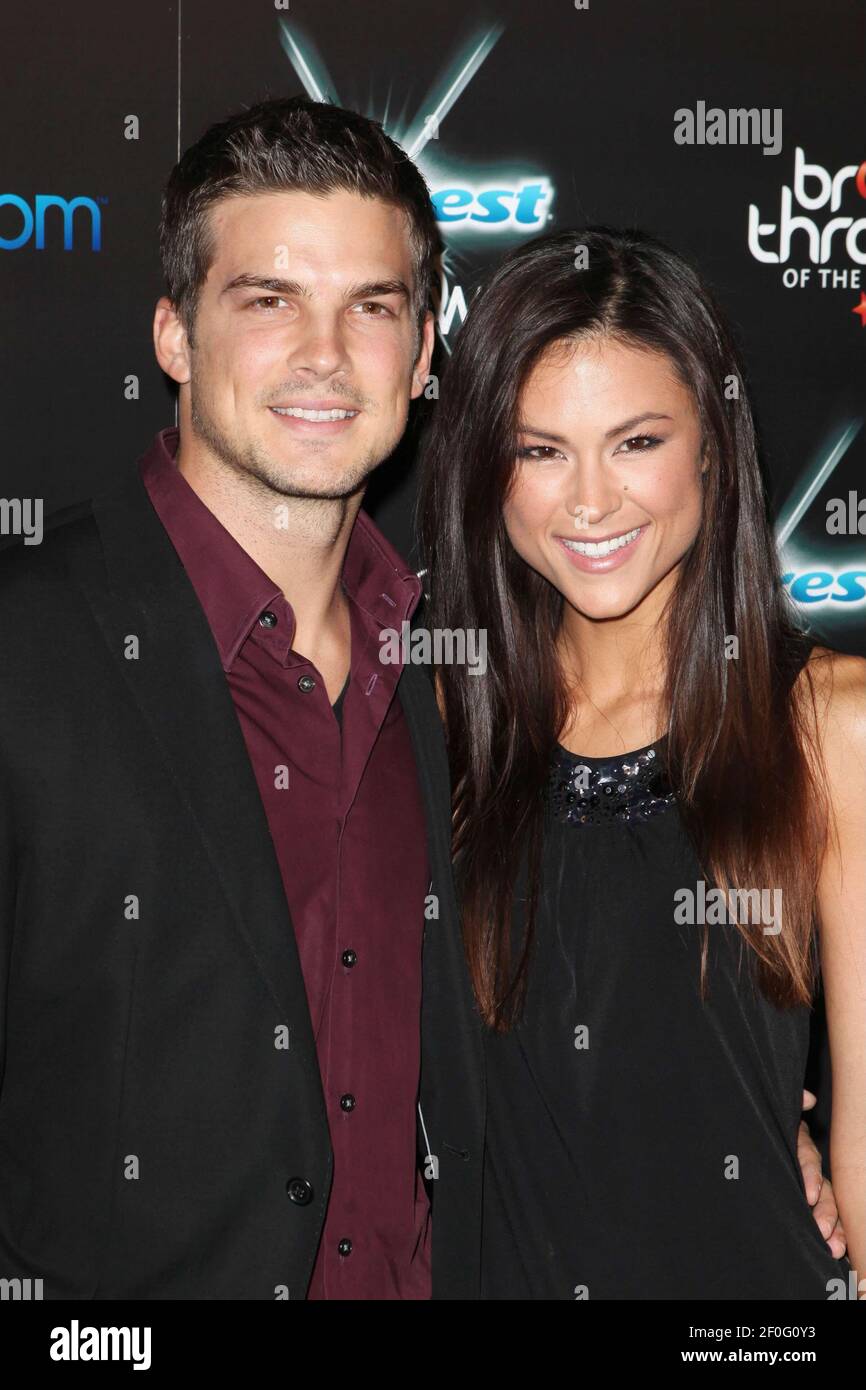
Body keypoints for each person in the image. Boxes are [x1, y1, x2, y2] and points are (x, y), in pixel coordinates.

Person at [0, 98, 841, 1302]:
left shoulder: (442, 691)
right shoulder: (28, 647)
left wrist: (761, 1135)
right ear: (174, 336)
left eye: (373, 308)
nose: (326, 357)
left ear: (425, 351)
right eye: (269, 300)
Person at [417, 226, 865, 1299]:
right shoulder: (430, 721)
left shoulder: (830, 726)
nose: (588, 502)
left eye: (634, 442)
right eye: (537, 450)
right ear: (485, 469)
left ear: (711, 444)